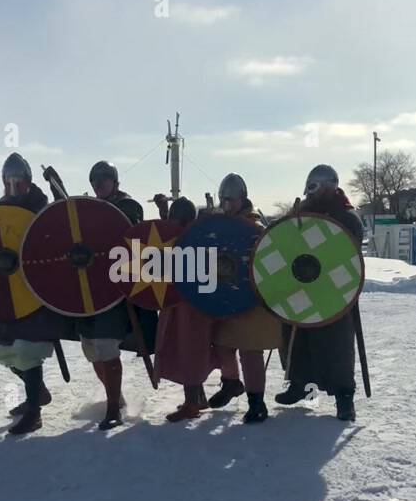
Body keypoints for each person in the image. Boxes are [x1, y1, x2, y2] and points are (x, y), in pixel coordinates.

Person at [42, 161, 146, 430]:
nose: (98, 185)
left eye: (103, 179)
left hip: (112, 291)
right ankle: (118, 398)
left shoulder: (128, 206)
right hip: (85, 290)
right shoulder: (91, 208)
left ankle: (113, 408)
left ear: (114, 180)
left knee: (106, 346)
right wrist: (59, 191)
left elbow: (121, 234)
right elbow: (71, 222)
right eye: (94, 181)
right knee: (91, 349)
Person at [0, 153, 73, 435]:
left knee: (27, 350)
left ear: (28, 182)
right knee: (1, 350)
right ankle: (37, 393)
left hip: (36, 289)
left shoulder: (40, 208)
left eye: (18, 182)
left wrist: (56, 187)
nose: (13, 187)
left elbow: (67, 224)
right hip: (6, 291)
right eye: (8, 182)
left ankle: (34, 411)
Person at [275, 164, 364, 422]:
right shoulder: (301, 212)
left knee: (336, 345)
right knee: (296, 337)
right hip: (301, 285)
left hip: (332, 290)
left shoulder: (346, 216)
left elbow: (347, 251)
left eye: (314, 188)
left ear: (328, 187)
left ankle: (344, 398)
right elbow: (283, 239)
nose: (310, 194)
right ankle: (300, 385)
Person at [207, 173, 281, 424]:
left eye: (231, 199)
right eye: (223, 199)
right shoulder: (217, 225)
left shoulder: (255, 227)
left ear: (242, 198)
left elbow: (270, 262)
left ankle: (257, 403)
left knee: (250, 352)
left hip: (252, 300)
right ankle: (231, 384)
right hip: (228, 298)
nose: (226, 204)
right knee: (223, 345)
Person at [150, 195, 217, 422]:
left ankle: (191, 404)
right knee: (187, 351)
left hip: (192, 307)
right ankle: (198, 397)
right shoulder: (188, 235)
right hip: (177, 305)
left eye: (175, 218)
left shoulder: (197, 238)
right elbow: (166, 239)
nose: (173, 223)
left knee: (191, 352)